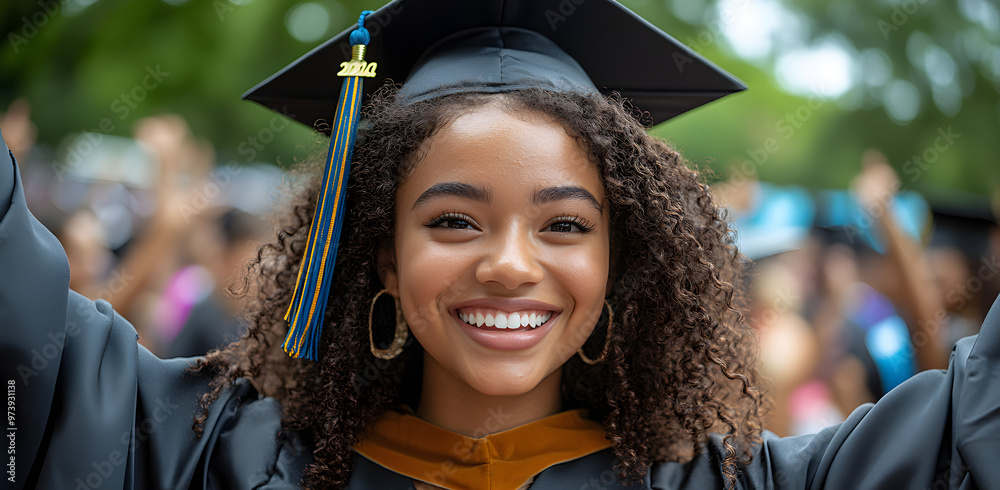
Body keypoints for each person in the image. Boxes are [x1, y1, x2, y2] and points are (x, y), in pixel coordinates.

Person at [1, 1, 998, 489]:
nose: (509, 262)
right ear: (380, 253)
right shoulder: (201, 455)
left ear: (620, 263)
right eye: (452, 220)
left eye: (565, 223)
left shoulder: (731, 485)